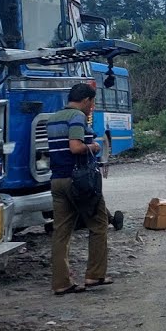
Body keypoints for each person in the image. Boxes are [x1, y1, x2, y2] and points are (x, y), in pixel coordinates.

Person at [48, 83, 107, 295]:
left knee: (61, 233)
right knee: (99, 224)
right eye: (92, 103)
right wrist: (94, 147)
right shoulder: (77, 117)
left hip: (57, 180)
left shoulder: (53, 117)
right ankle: (94, 275)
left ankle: (61, 283)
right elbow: (75, 147)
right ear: (85, 100)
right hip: (78, 181)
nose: (92, 107)